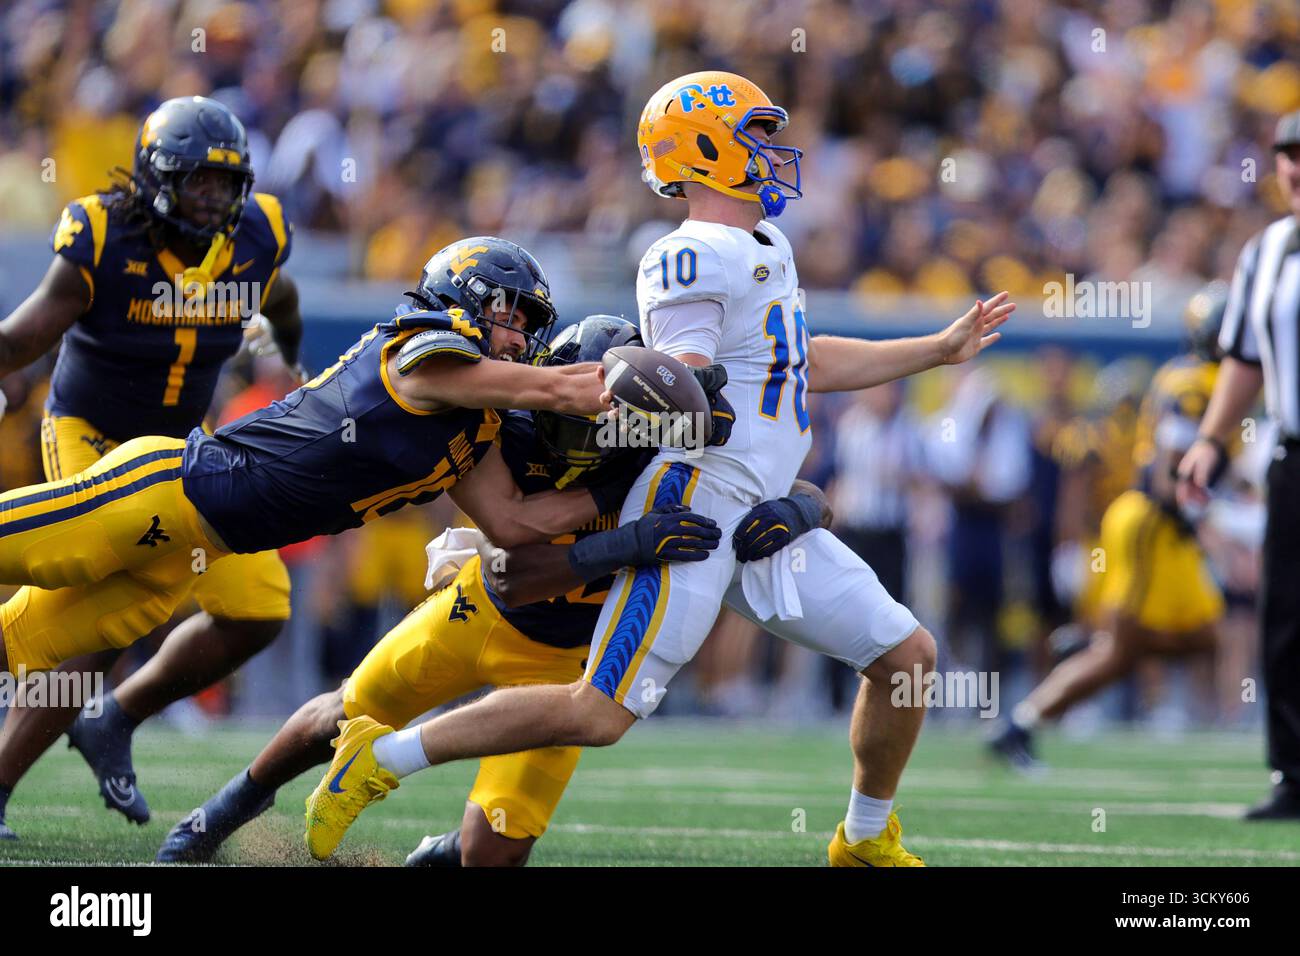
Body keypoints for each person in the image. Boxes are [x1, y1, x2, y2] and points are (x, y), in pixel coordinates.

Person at [305, 70, 1013, 867]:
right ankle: (381, 759)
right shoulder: (685, 256)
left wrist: (936, 351)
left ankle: (862, 839)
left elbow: (795, 362)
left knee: (906, 660)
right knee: (599, 714)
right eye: (754, 135)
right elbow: (676, 382)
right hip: (698, 501)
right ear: (703, 148)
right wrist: (688, 401)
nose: (770, 152)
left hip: (758, 505)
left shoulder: (764, 245)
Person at [156, 316, 774, 866]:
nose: (588, 436)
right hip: (480, 610)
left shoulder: (666, 458)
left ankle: (438, 854)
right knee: (343, 714)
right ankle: (216, 815)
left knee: (494, 854)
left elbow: (787, 484)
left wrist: (798, 511)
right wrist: (629, 541)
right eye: (580, 416)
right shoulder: (504, 428)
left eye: (604, 424)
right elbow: (514, 571)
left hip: (563, 665)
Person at [0, 237, 631, 716]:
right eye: (511, 316)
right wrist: (640, 390)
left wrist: (611, 489)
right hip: (166, 491)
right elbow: (551, 386)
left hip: (201, 547)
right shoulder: (422, 344)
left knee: (23, 641)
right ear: (462, 296)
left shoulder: (479, 424)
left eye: (529, 324)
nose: (521, 337)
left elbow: (515, 521)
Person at [0, 96, 302, 837]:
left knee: (259, 608)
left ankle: (117, 716)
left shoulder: (258, 235)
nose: (214, 199)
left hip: (183, 453)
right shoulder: (102, 235)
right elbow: (21, 339)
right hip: (92, 437)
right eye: (199, 182)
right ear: (158, 177)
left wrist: (288, 358)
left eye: (225, 185)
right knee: (103, 614)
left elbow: (281, 296)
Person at [990, 284, 1229, 768]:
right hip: (1151, 524)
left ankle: (1092, 650)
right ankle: (1024, 719)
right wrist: (1208, 515)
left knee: (1205, 636)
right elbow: (1169, 472)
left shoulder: (1204, 378)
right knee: (1124, 650)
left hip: (1163, 528)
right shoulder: (1194, 383)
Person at [1177, 110, 1300, 821]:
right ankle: (1295, 773)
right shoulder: (1269, 250)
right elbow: (1244, 359)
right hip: (1293, 453)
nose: (1295, 167)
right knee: (1286, 616)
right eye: (1287, 155)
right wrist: (1211, 439)